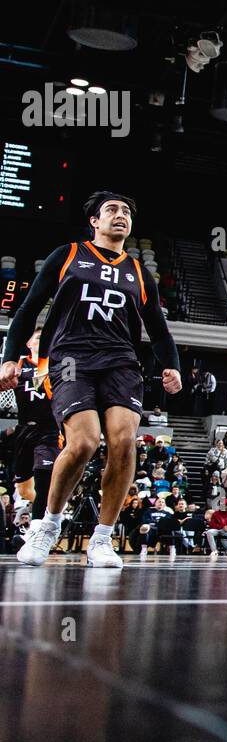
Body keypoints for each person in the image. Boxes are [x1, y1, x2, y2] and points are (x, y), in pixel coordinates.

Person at [0, 192, 182, 569]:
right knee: (83, 442)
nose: (121, 216)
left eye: (126, 212)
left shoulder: (138, 271)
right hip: (69, 358)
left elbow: (159, 330)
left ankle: (102, 538)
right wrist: (10, 358)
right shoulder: (67, 255)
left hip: (121, 362)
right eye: (112, 210)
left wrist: (172, 365)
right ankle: (47, 525)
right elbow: (28, 308)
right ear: (95, 222)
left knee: (123, 440)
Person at [7, 328, 61, 528]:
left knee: (44, 475)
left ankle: (38, 526)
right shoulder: (19, 364)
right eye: (38, 337)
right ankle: (44, 507)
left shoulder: (62, 364)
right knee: (24, 490)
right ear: (29, 344)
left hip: (49, 430)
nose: (43, 340)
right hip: (24, 429)